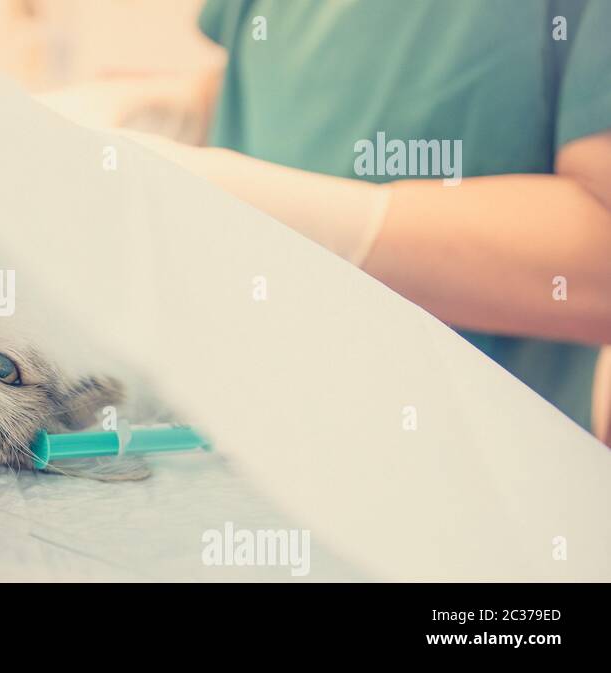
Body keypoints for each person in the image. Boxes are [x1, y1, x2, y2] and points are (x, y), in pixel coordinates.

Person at [44, 0, 611, 442]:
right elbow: (261, 71)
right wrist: (164, 112)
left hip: (461, 487)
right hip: (235, 438)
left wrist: (323, 226)